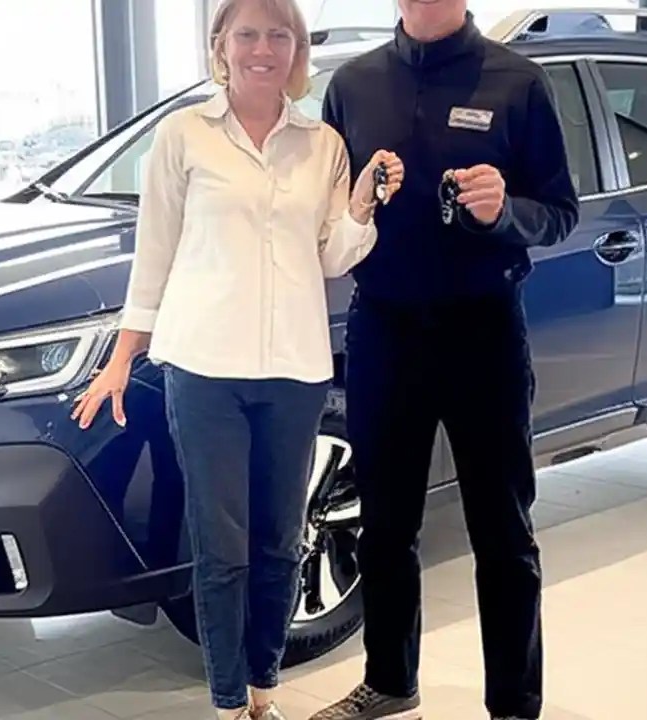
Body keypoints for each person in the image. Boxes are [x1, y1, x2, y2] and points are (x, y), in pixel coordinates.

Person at [71, 1, 404, 718]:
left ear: (296, 49)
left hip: (294, 368)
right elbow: (154, 252)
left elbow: (330, 257)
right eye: (247, 34)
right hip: (203, 368)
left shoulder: (323, 145)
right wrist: (122, 357)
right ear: (220, 45)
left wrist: (362, 209)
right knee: (221, 548)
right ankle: (227, 704)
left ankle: (264, 691)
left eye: (278, 35)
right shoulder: (184, 135)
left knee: (282, 544)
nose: (263, 48)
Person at [310, 2, 580, 720]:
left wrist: (506, 214)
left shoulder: (519, 81)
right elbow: (330, 213)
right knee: (386, 525)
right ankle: (391, 682)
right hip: (384, 328)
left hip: (482, 331)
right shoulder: (353, 84)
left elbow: (559, 210)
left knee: (502, 528)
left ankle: (515, 706)